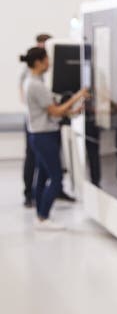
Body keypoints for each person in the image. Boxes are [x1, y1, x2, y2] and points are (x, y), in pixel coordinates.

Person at [20, 47, 88, 230]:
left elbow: (52, 111)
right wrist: (78, 96)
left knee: (42, 175)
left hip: (40, 134)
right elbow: (55, 111)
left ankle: (40, 215)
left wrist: (73, 111)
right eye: (47, 59)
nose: (49, 62)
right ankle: (44, 216)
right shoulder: (36, 85)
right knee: (56, 177)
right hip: (44, 136)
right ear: (38, 62)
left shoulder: (33, 82)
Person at [21, 33, 52, 206]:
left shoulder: (47, 69)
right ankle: (28, 193)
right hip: (35, 120)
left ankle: (43, 193)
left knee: (45, 161)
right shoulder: (31, 76)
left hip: (45, 121)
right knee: (32, 158)